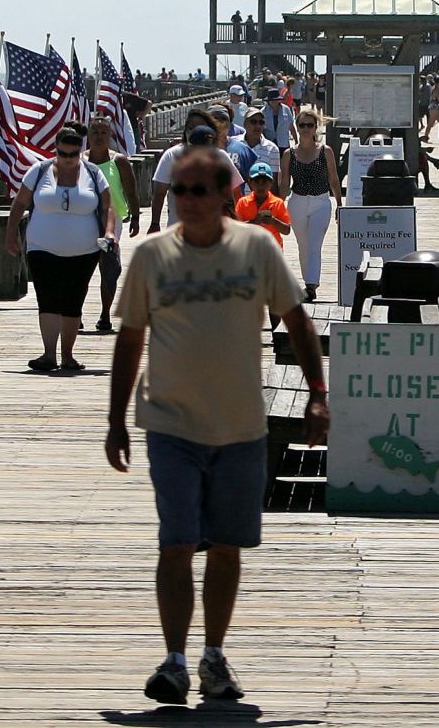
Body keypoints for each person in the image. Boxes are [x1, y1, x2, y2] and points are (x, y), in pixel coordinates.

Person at [107, 146, 327, 706]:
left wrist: (317, 395)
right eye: (179, 191)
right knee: (177, 541)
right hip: (170, 422)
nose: (187, 201)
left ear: (225, 194)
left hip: (240, 425)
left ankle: (213, 654)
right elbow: (130, 339)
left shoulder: (255, 248)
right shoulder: (152, 256)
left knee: (227, 546)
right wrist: (115, 421)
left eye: (199, 190)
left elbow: (296, 321)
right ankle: (175, 660)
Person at [4, 126, 113, 373]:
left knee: (74, 299)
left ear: (79, 152)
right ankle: (49, 354)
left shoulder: (93, 174)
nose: (67, 159)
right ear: (56, 151)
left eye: (73, 154)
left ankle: (68, 355)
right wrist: (11, 234)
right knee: (48, 297)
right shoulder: (39, 171)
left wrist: (108, 232)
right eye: (63, 154)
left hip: (84, 250)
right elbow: (20, 202)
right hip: (42, 247)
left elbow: (107, 207)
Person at [279, 106, 343, 303]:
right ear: (297, 128)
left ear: (316, 127)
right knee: (303, 246)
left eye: (310, 125)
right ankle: (309, 281)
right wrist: (278, 207)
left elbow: (334, 179)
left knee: (314, 245)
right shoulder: (289, 154)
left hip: (321, 202)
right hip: (297, 202)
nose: (306, 129)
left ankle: (311, 286)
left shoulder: (326, 151)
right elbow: (284, 184)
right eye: (302, 125)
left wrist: (340, 205)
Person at [86, 115, 142, 334]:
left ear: (110, 135)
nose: (99, 137)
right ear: (88, 135)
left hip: (112, 220)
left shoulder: (119, 160)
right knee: (82, 267)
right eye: (95, 132)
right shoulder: (80, 160)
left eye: (103, 132)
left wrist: (135, 217)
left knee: (108, 266)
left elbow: (130, 190)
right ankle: (76, 313)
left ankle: (105, 314)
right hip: (84, 219)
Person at [151, 114, 244, 232]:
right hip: (179, 229)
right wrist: (155, 223)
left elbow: (235, 191)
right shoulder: (172, 156)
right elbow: (160, 192)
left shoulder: (221, 157)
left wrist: (237, 221)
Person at [227, 110, 281, 192]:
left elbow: (273, 183)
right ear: (245, 124)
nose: (258, 126)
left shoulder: (272, 149)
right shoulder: (232, 144)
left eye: (261, 122)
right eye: (253, 122)